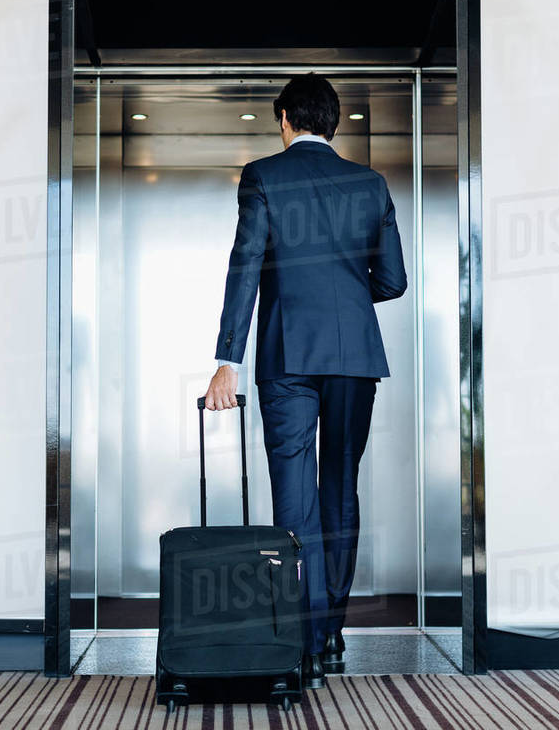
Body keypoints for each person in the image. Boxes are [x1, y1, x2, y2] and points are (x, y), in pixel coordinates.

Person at [202, 73, 407, 689]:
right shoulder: (371, 184)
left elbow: (245, 265)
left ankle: (303, 637)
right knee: (341, 487)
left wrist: (226, 359)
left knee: (296, 498)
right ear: (334, 122)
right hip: (355, 358)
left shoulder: (264, 176)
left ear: (286, 118)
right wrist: (348, 290)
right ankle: (334, 630)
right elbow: (392, 281)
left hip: (287, 357)